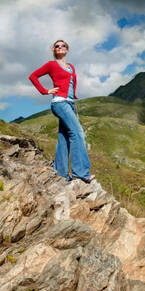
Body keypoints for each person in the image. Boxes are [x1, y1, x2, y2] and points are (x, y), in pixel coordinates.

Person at [28, 40, 95, 183]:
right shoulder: (51, 64)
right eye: (56, 46)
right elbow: (33, 76)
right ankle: (80, 172)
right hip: (60, 103)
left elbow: (70, 84)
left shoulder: (71, 67)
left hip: (70, 103)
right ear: (54, 50)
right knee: (77, 133)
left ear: (67, 49)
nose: (59, 47)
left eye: (62, 45)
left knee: (64, 139)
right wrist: (45, 91)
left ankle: (61, 173)